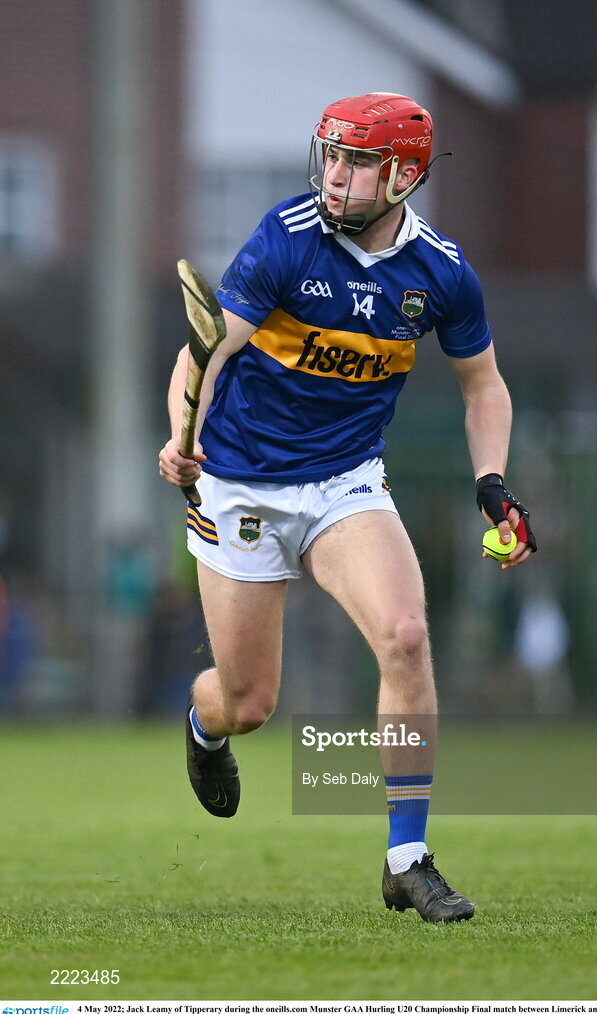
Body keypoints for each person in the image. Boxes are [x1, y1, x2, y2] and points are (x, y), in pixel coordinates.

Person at [159, 92, 536, 924]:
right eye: (328, 155)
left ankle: (408, 858)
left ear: (403, 176)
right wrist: (176, 438)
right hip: (240, 482)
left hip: (344, 483)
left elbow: (485, 387)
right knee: (250, 702)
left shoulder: (440, 272)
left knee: (405, 637)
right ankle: (204, 723)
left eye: (356, 162)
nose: (333, 176)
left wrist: (492, 484)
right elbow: (203, 358)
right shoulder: (286, 239)